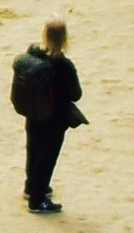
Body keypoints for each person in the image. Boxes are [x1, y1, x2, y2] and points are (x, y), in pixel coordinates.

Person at [11, 18, 85, 215]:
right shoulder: (64, 66)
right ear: (64, 39)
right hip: (54, 118)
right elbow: (76, 94)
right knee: (47, 157)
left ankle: (30, 187)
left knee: (33, 150)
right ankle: (37, 199)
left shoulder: (33, 52)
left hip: (34, 113)